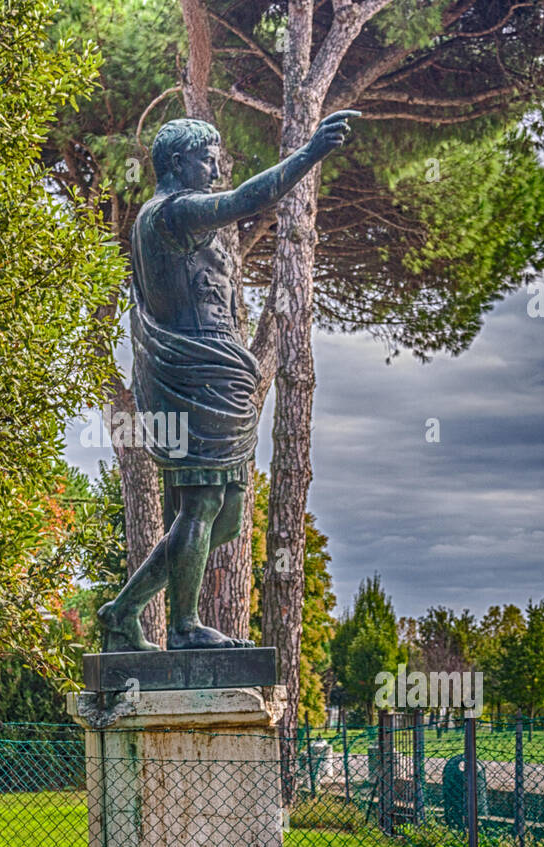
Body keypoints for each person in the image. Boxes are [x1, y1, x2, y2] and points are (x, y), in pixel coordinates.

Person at [98, 109, 359, 652]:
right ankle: (185, 627)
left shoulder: (178, 217)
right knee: (200, 505)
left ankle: (123, 611)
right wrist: (310, 153)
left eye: (217, 155)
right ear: (176, 163)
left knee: (225, 518)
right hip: (192, 374)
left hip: (217, 370)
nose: (216, 164)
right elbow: (243, 201)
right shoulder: (171, 214)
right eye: (205, 156)